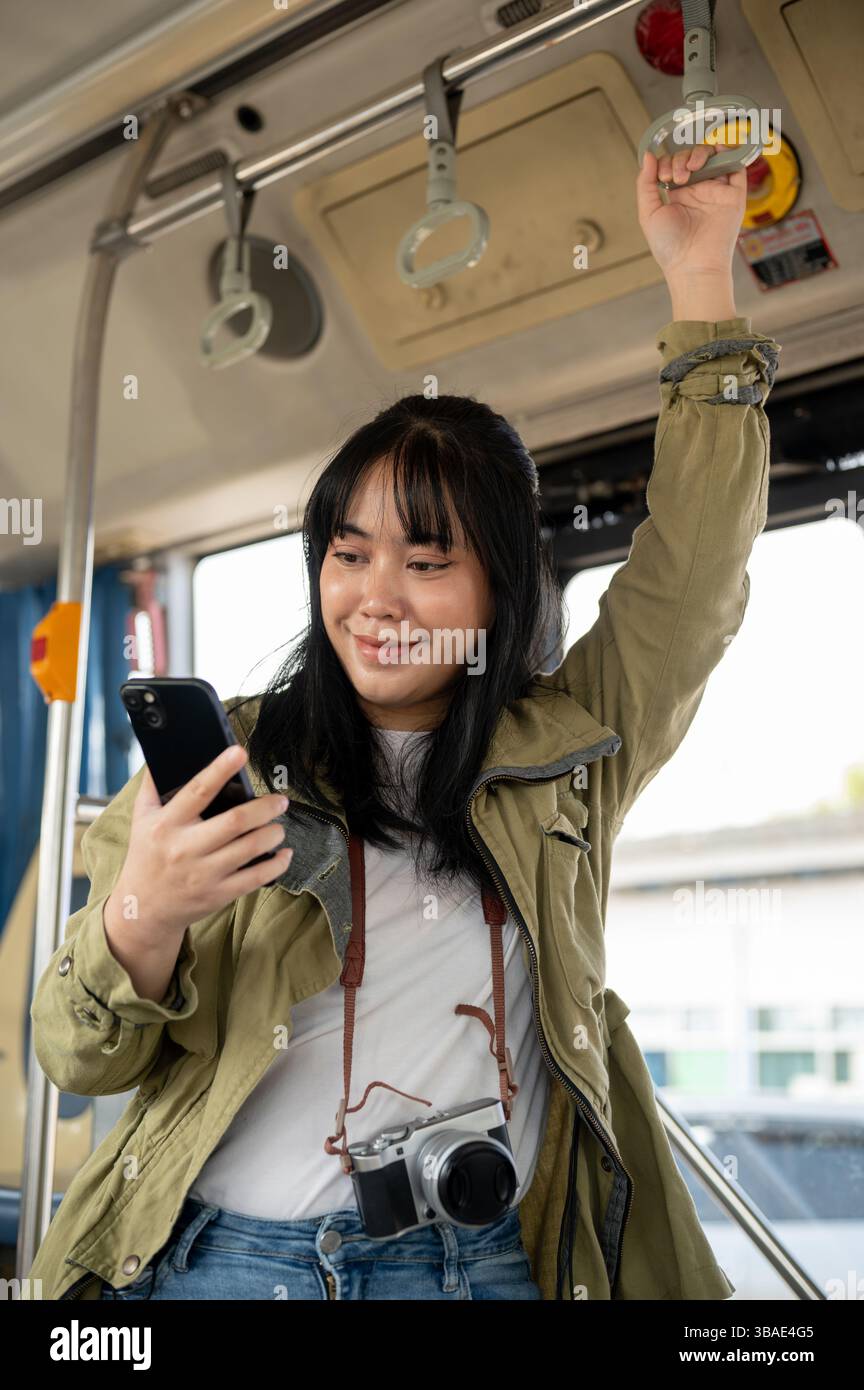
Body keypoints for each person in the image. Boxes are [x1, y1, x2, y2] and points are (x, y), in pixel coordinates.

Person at [27, 144, 781, 1301]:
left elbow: (694, 578)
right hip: (228, 1264)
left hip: (477, 1268)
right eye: (348, 553)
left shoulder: (569, 753)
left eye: (427, 560)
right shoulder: (226, 755)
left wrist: (701, 288)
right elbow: (80, 1053)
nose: (376, 597)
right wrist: (147, 910)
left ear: (499, 595)